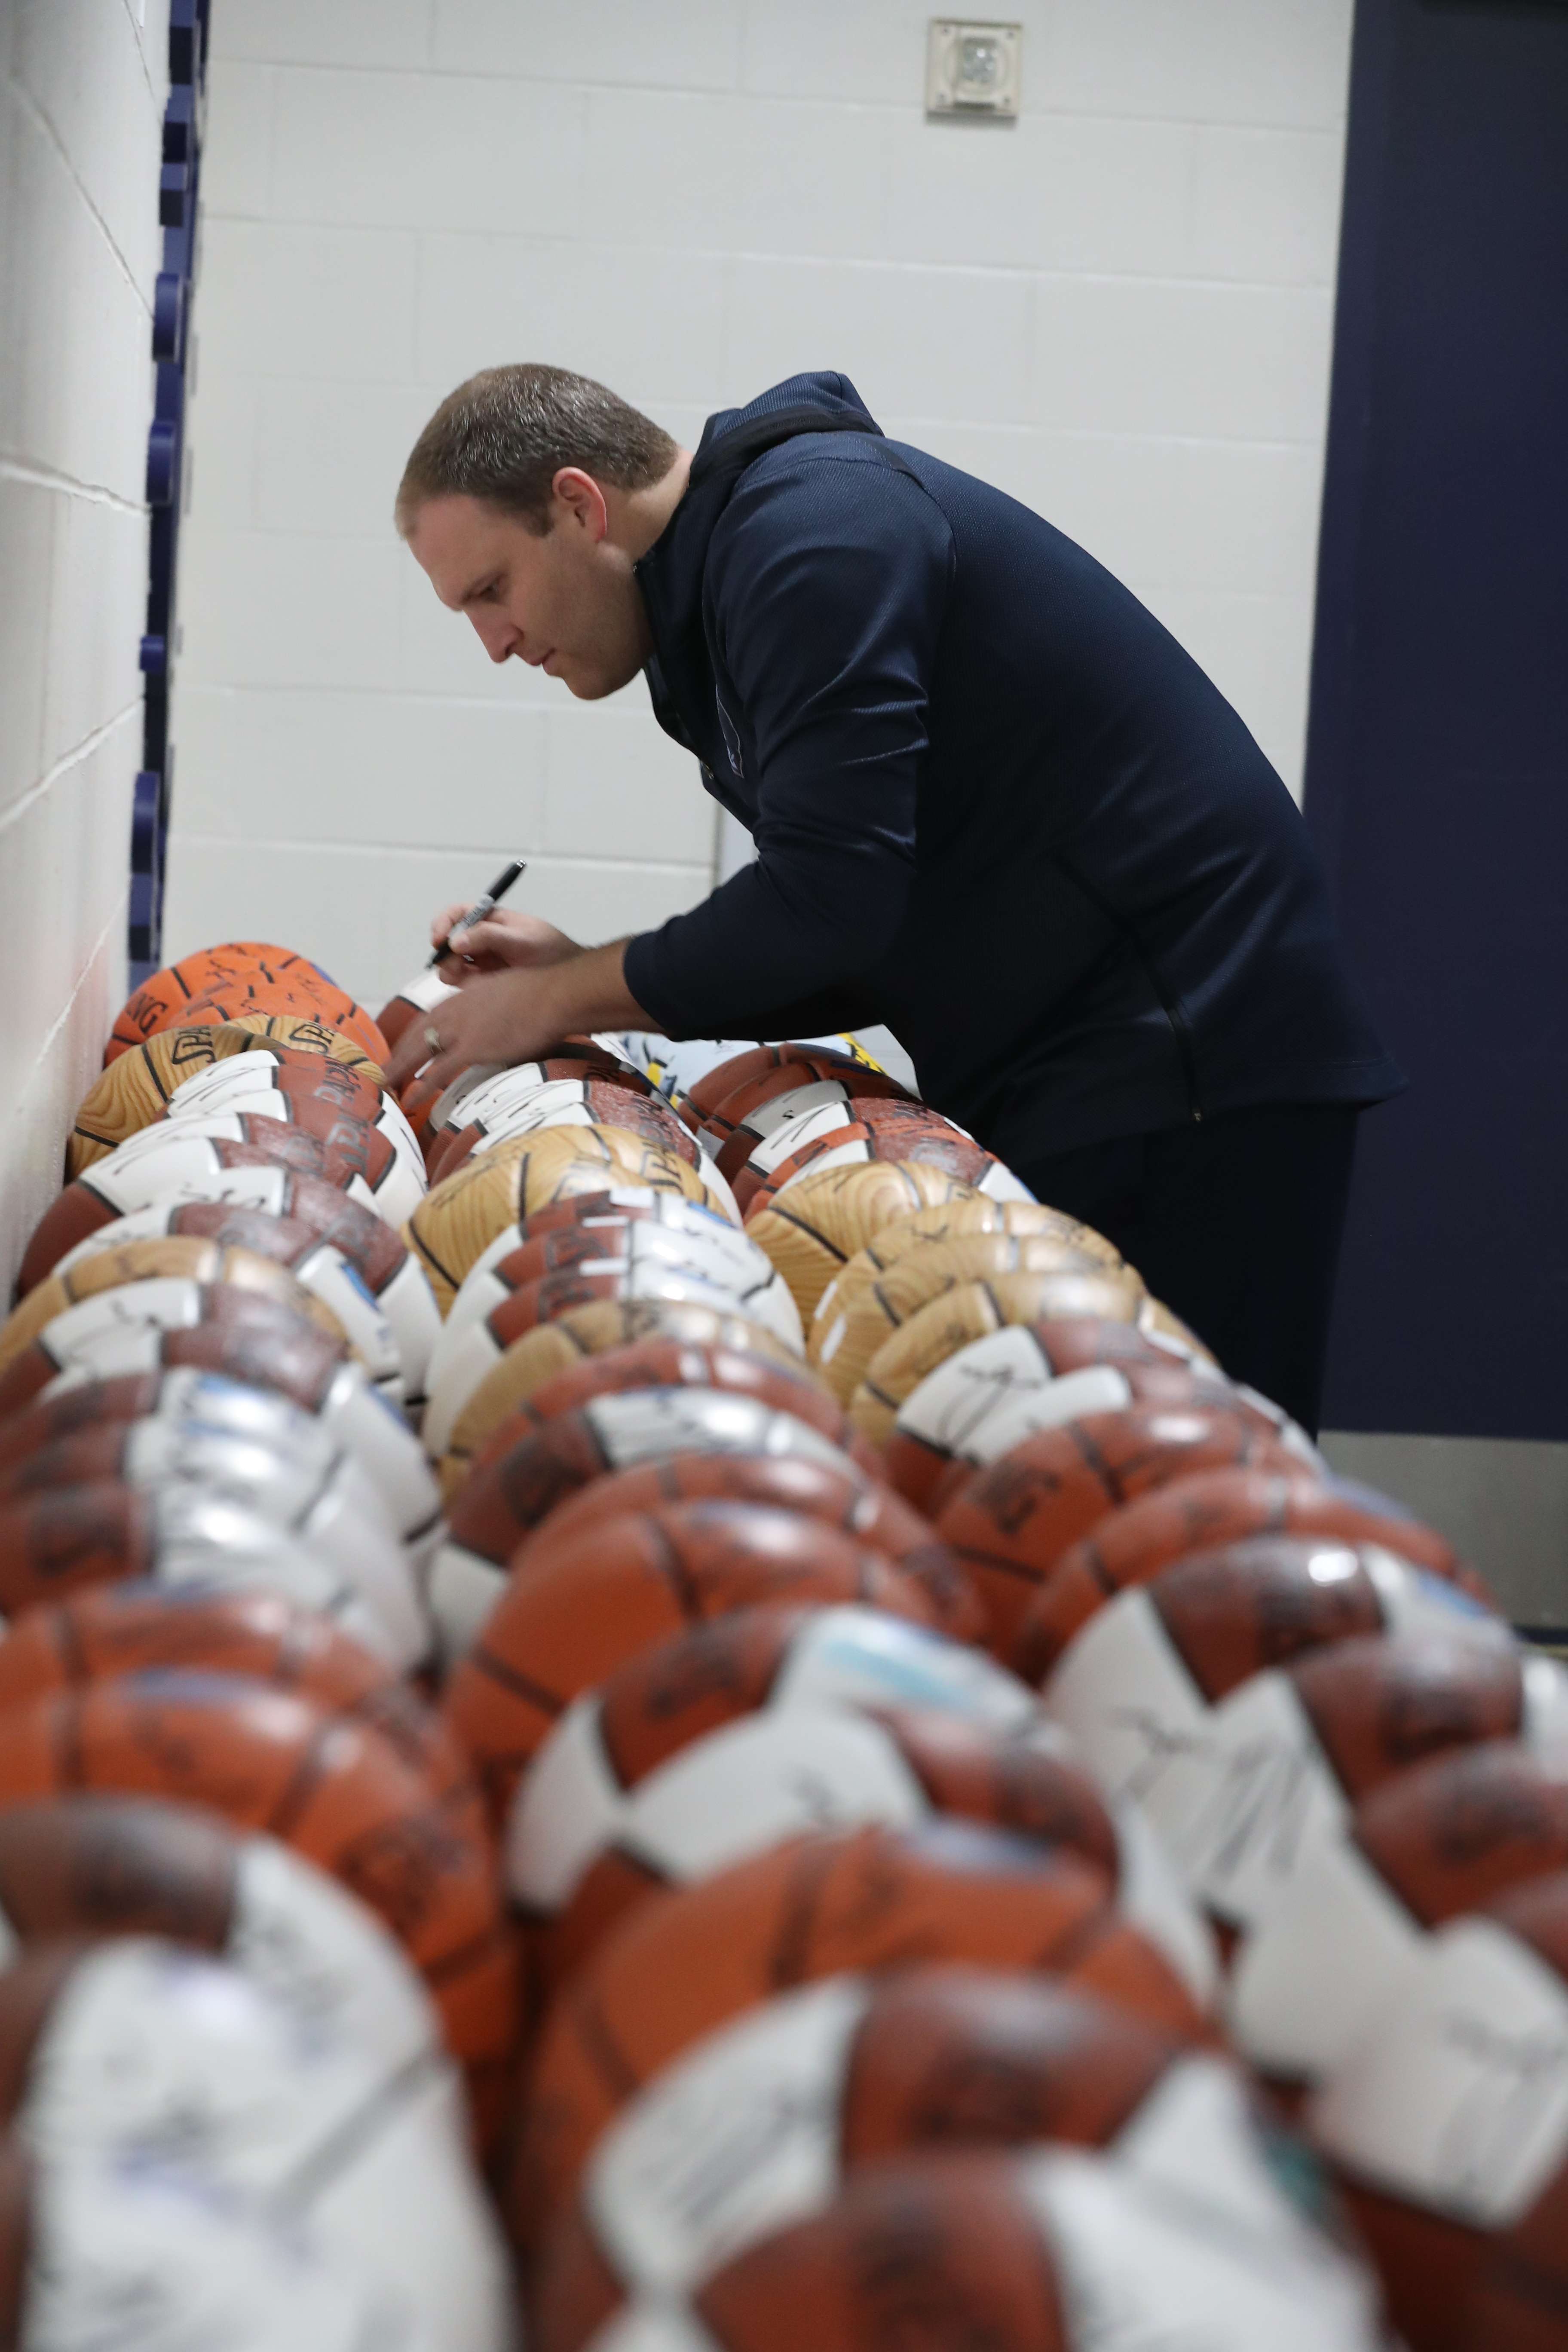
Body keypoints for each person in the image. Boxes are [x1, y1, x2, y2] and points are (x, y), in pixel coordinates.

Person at [386, 363, 1402, 1434]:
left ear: (578, 504)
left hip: (1189, 1055)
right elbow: (840, 938)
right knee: (1059, 1478)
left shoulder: (811, 535)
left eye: (491, 590)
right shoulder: (718, 601)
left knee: (1178, 1499)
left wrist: (559, 1001)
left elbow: (830, 904)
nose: (494, 643)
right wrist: (575, 972)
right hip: (1094, 1059)